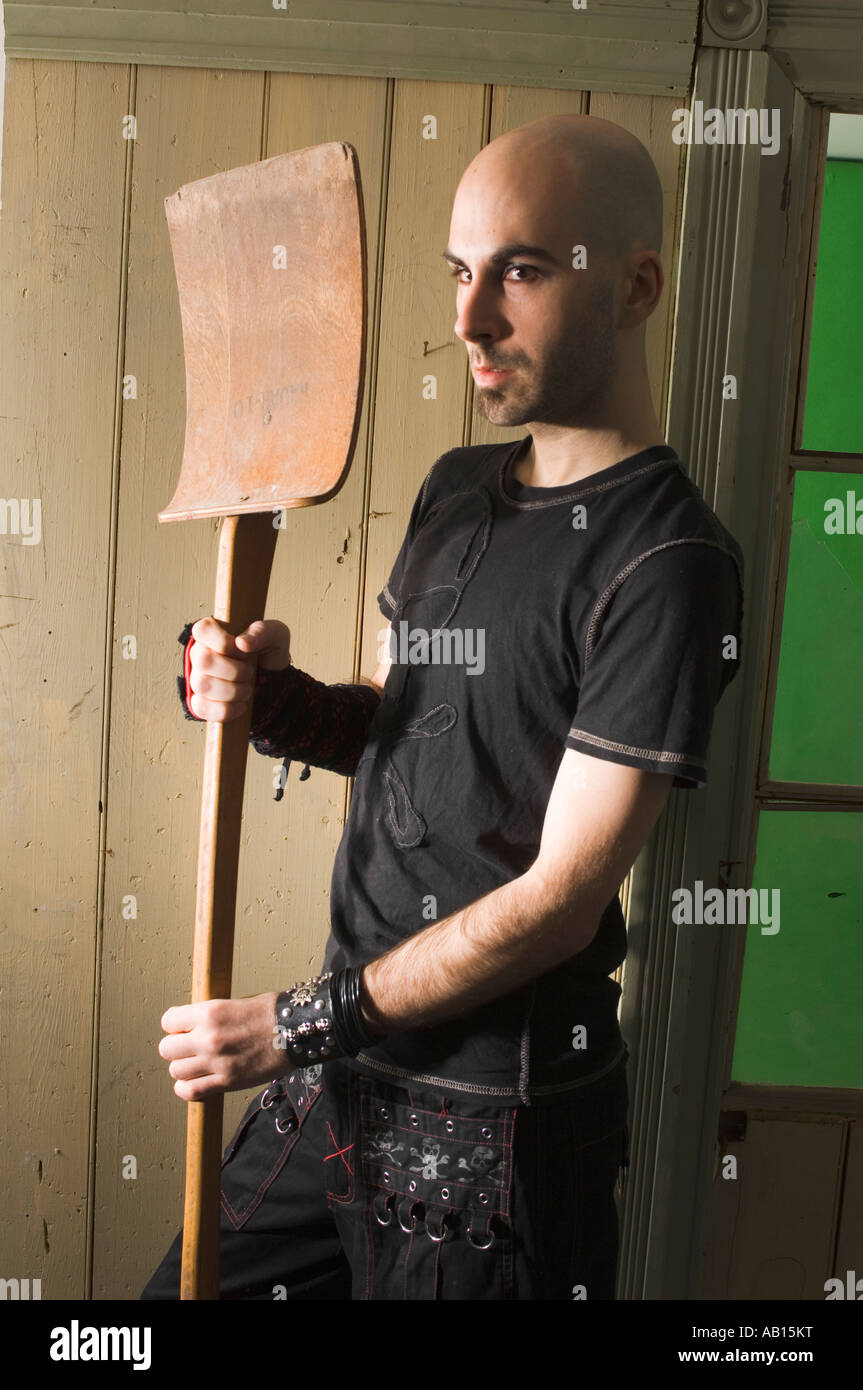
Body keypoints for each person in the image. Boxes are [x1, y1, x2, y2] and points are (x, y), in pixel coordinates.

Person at [141, 113, 743, 1301]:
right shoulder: (457, 490)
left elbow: (559, 903)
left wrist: (290, 1028)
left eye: (518, 272)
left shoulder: (665, 561)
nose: (468, 319)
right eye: (461, 274)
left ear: (636, 286)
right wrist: (274, 703)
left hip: (494, 1142)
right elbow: (407, 728)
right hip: (346, 1083)